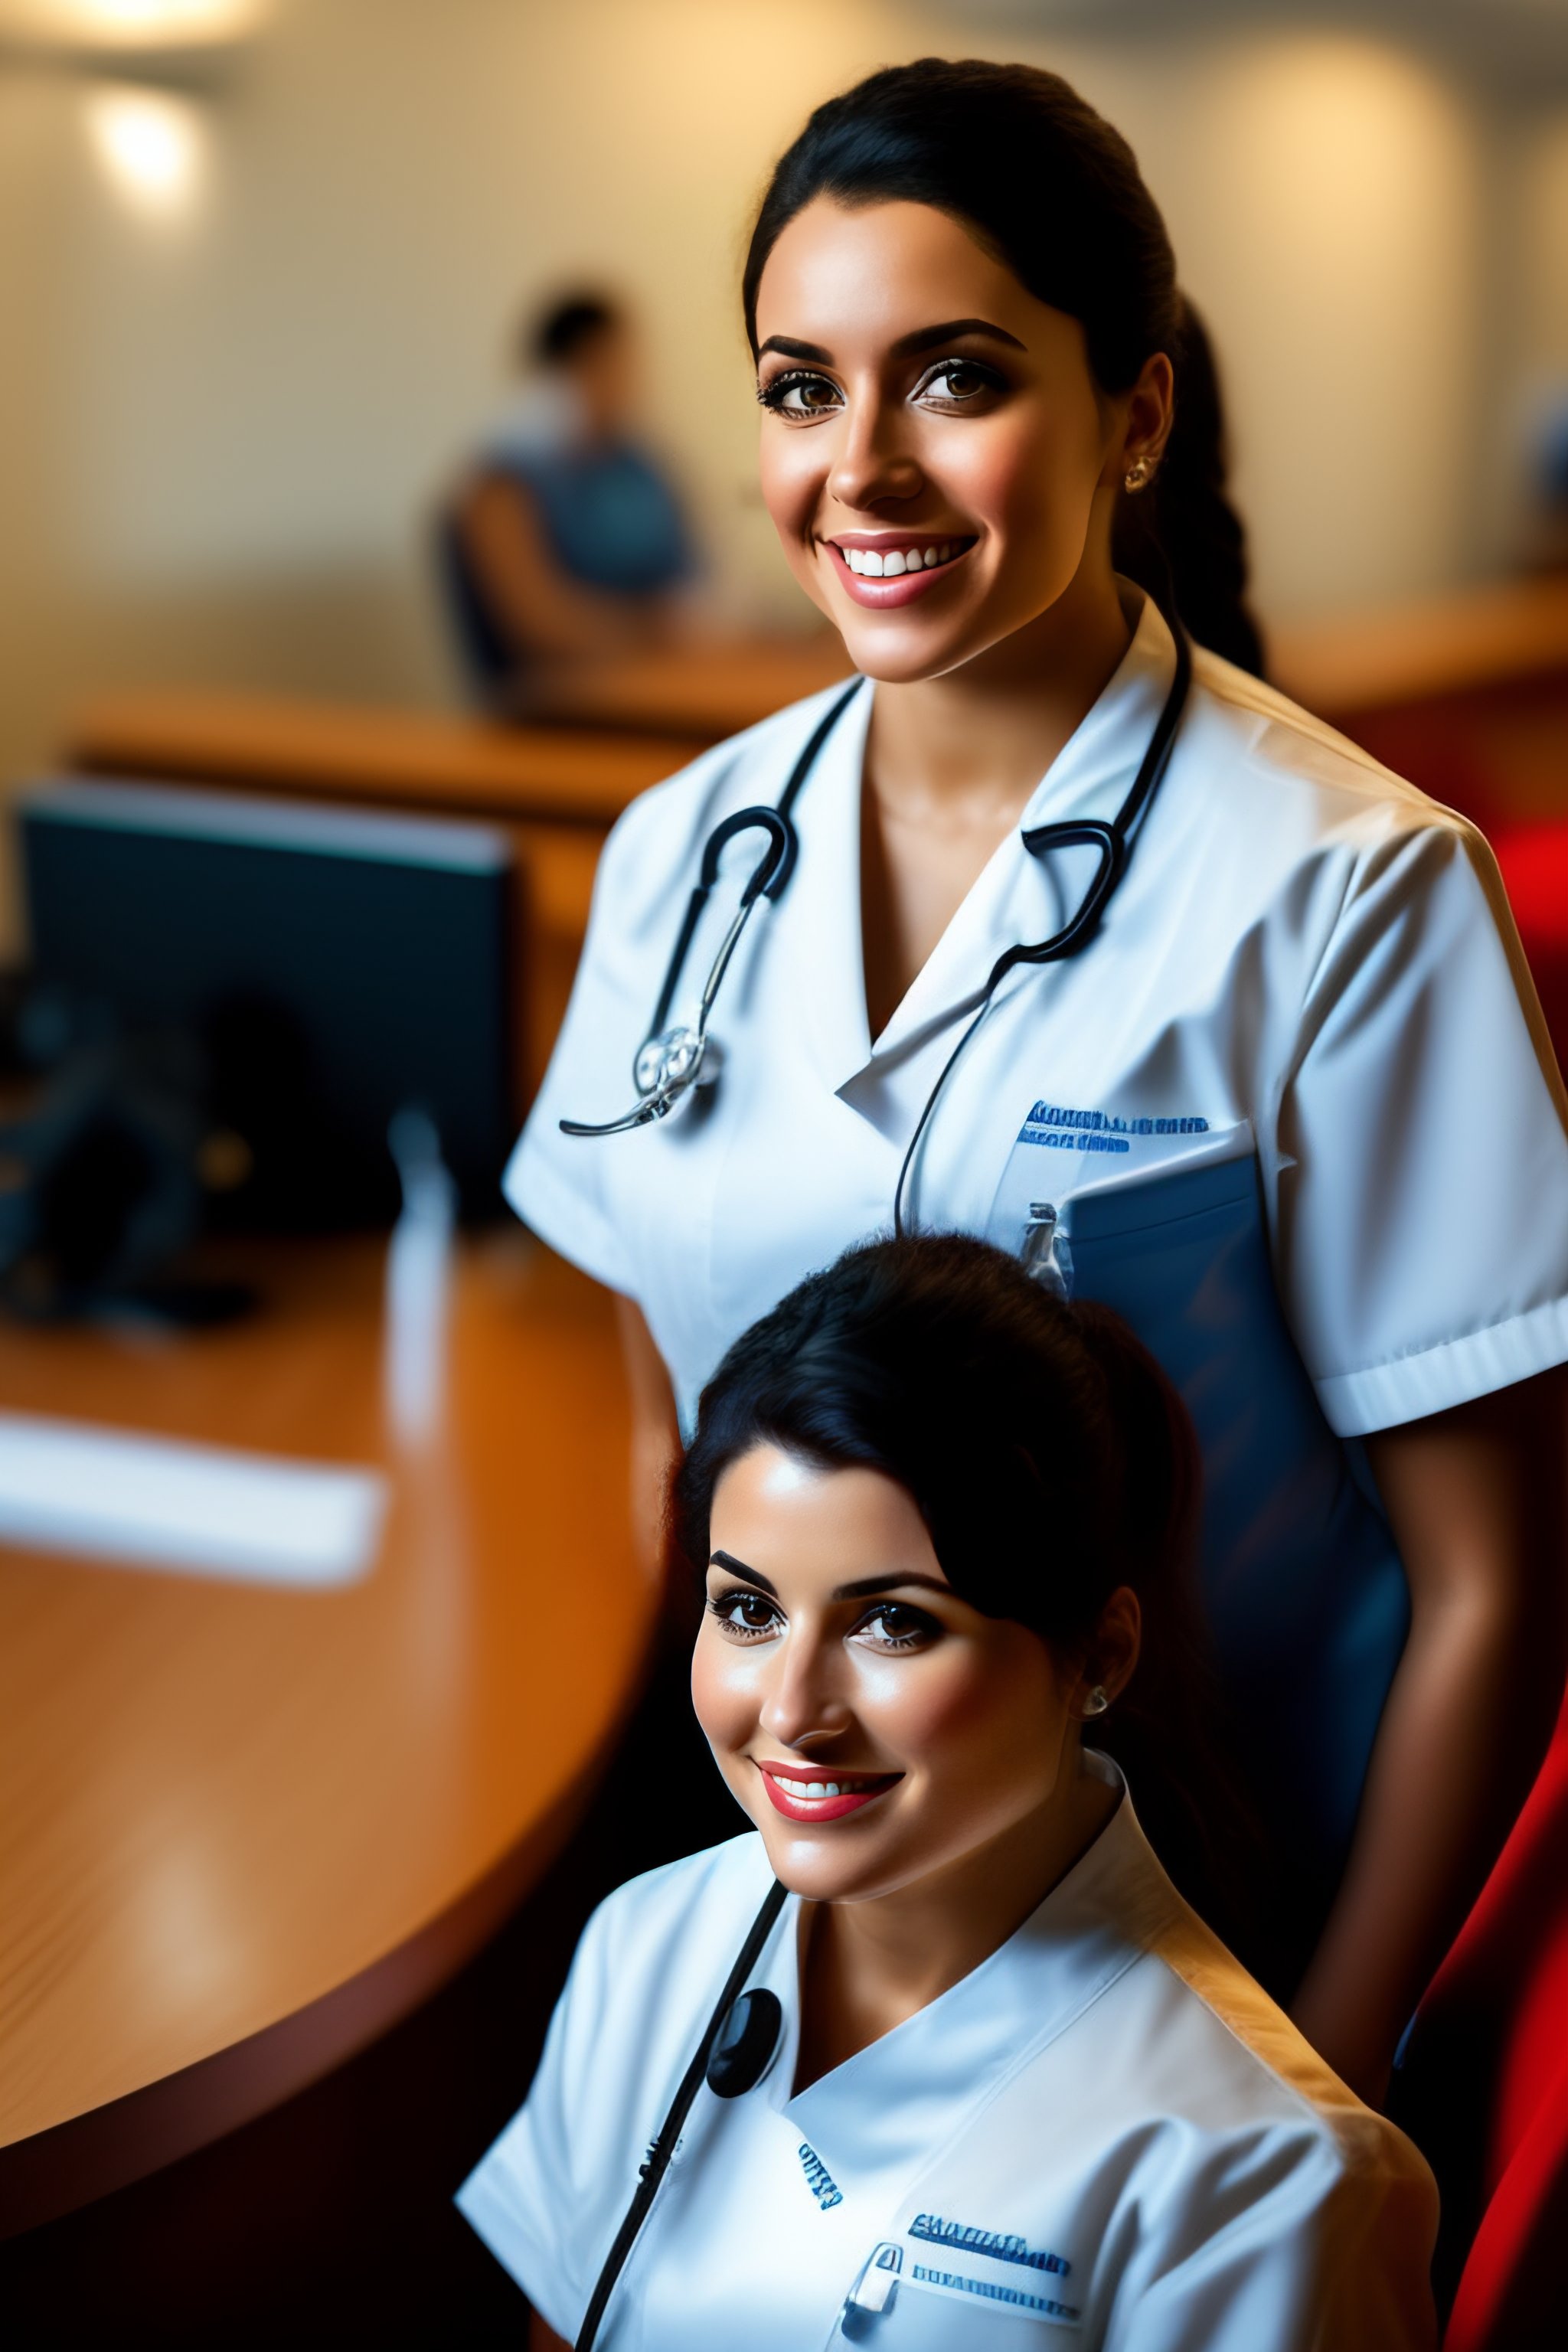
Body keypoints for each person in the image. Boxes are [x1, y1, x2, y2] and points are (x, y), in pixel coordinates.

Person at [502, 59, 1568, 2100]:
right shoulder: (678, 858)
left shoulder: (1344, 892)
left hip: (1196, 1959)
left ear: (1136, 414)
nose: (862, 467)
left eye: (956, 379)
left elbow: (1499, 1579)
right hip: (782, 1915)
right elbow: (652, 1416)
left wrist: (1315, 2096)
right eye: (801, 387)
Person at [459, 1236, 1439, 2351]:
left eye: (894, 1623)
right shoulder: (646, 1950)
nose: (793, 1711)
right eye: (748, 1611)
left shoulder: (1263, 2185)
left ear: (1102, 1656)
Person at [439, 290, 697, 701]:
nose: (630, 380)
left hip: (667, 680)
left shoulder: (641, 467)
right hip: (558, 706)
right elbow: (540, 625)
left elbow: (695, 585)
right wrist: (660, 631)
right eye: (614, 363)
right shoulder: (501, 486)